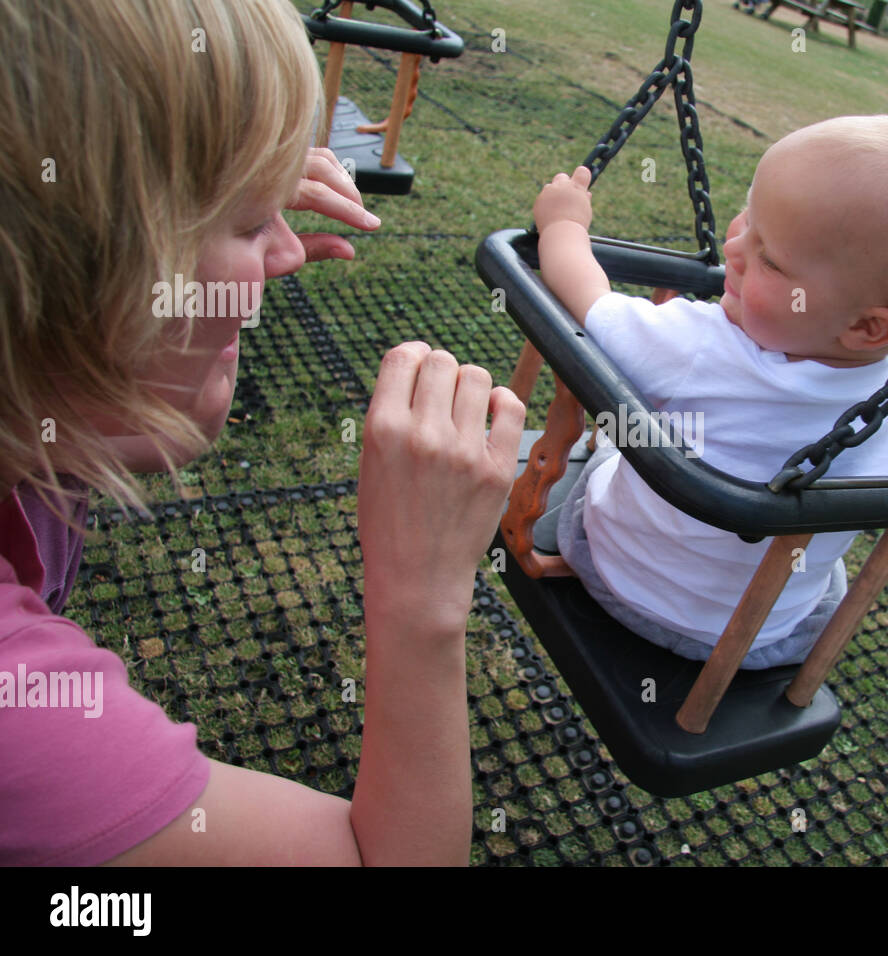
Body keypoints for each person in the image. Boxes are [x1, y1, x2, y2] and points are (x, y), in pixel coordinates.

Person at [1, 0, 524, 865]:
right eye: (251, 224)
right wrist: (422, 594)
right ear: (83, 296)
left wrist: (207, 251)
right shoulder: (26, 721)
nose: (284, 250)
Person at [532, 115, 888, 668]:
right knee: (819, 576)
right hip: (759, 639)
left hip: (620, 580)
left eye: (769, 259)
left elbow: (588, 300)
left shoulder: (701, 347)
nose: (733, 248)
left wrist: (563, 225)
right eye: (749, 220)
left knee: (618, 441)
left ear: (869, 327)